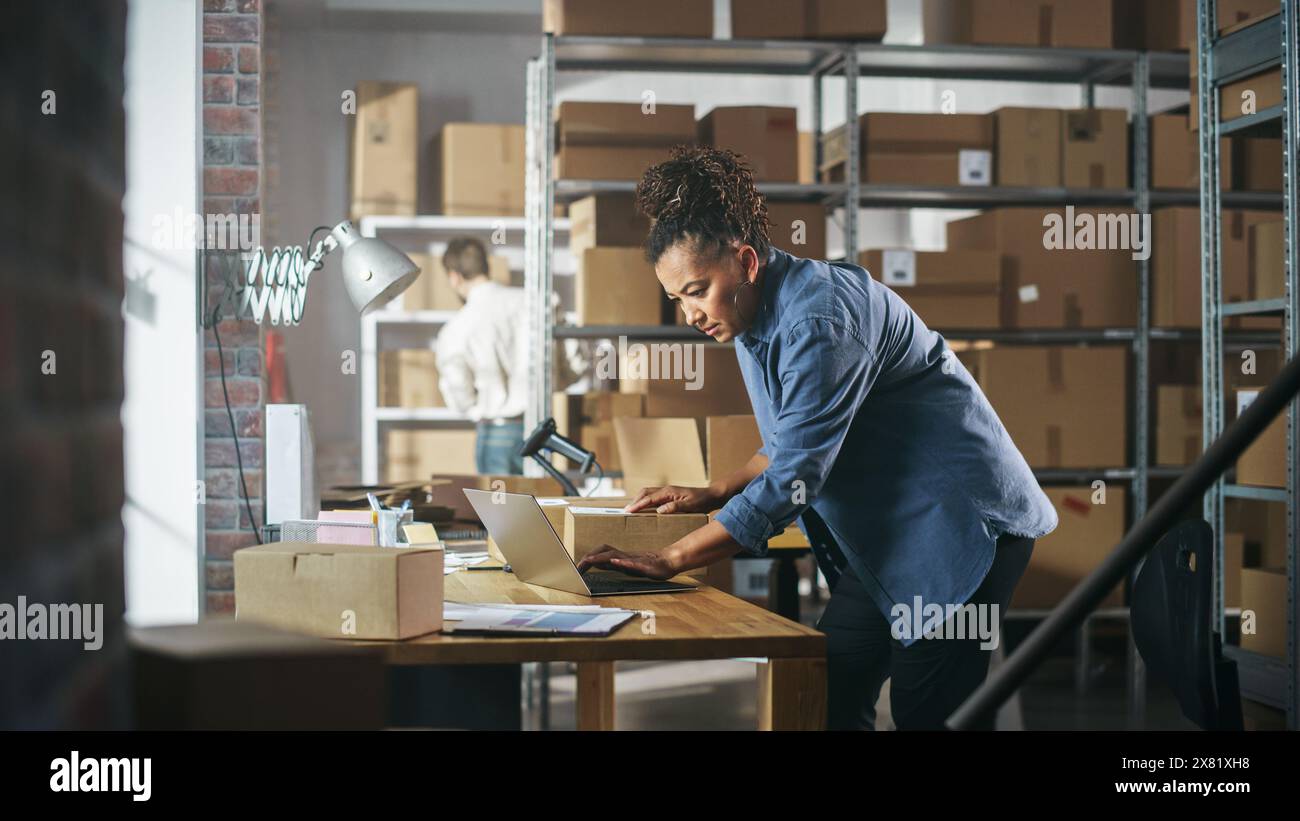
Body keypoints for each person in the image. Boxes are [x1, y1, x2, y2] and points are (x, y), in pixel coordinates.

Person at [576, 146, 1059, 730]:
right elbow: (788, 439)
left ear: (747, 261)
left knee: (930, 713)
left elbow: (798, 474)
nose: (690, 315)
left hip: (957, 527)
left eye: (697, 290)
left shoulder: (818, 319)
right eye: (678, 298)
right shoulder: (756, 316)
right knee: (823, 687)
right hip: (890, 538)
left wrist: (671, 558)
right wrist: (711, 492)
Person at [434, 236, 527, 474]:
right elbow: (573, 364)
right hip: (548, 428)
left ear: (454, 277)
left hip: (496, 432)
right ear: (486, 266)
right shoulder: (532, 303)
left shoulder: (456, 328)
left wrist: (478, 406)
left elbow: (459, 395)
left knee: (502, 510)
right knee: (554, 508)